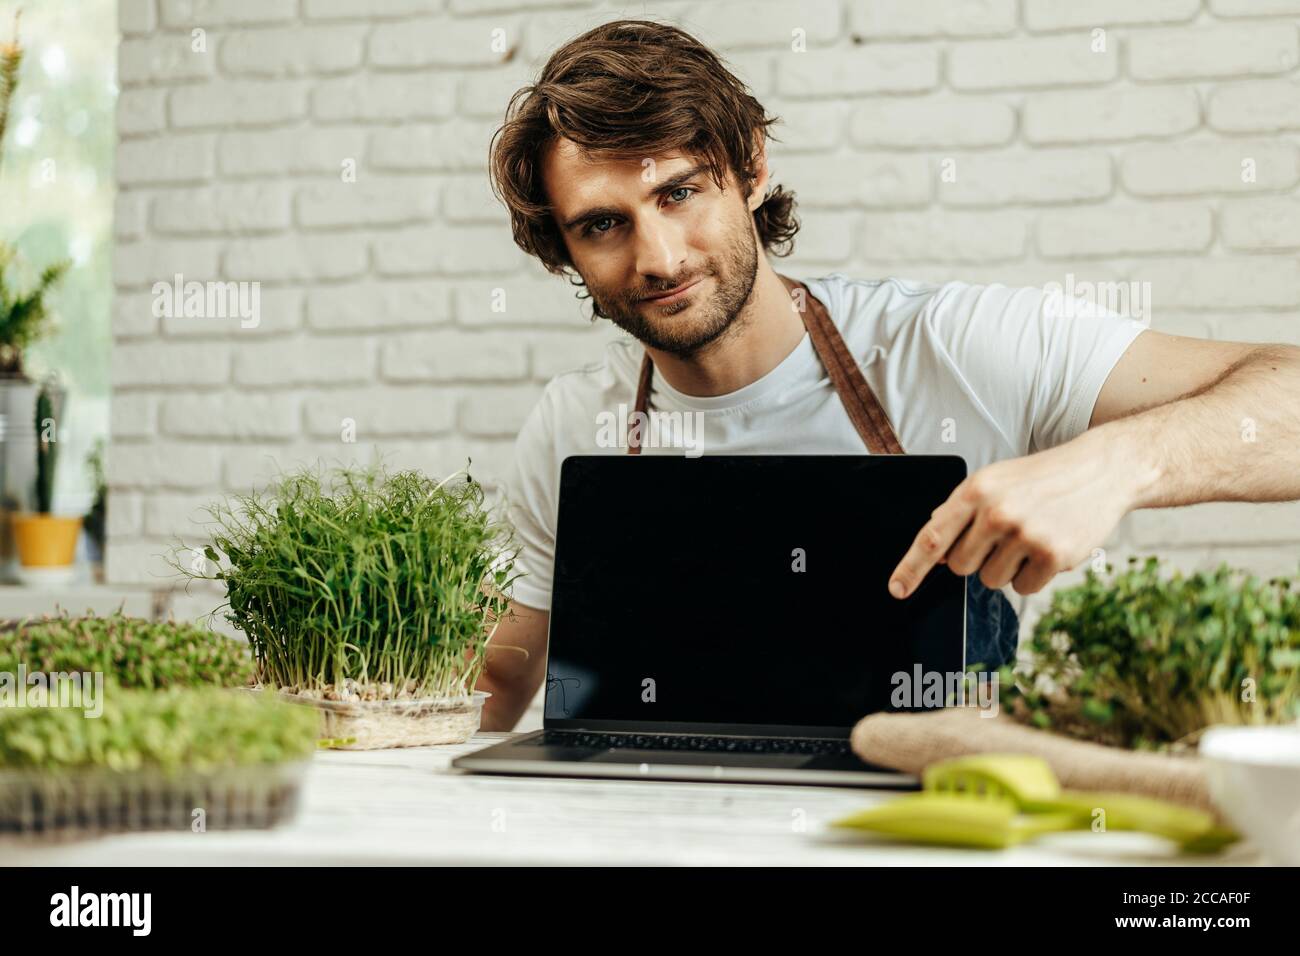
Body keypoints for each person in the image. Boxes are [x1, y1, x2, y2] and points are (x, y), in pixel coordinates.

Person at [473, 19, 1300, 732]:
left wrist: (1114, 465)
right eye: (603, 225)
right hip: (642, 826)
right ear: (566, 253)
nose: (657, 258)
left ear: (752, 169)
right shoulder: (574, 421)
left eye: (680, 192)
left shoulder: (955, 346)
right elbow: (500, 679)